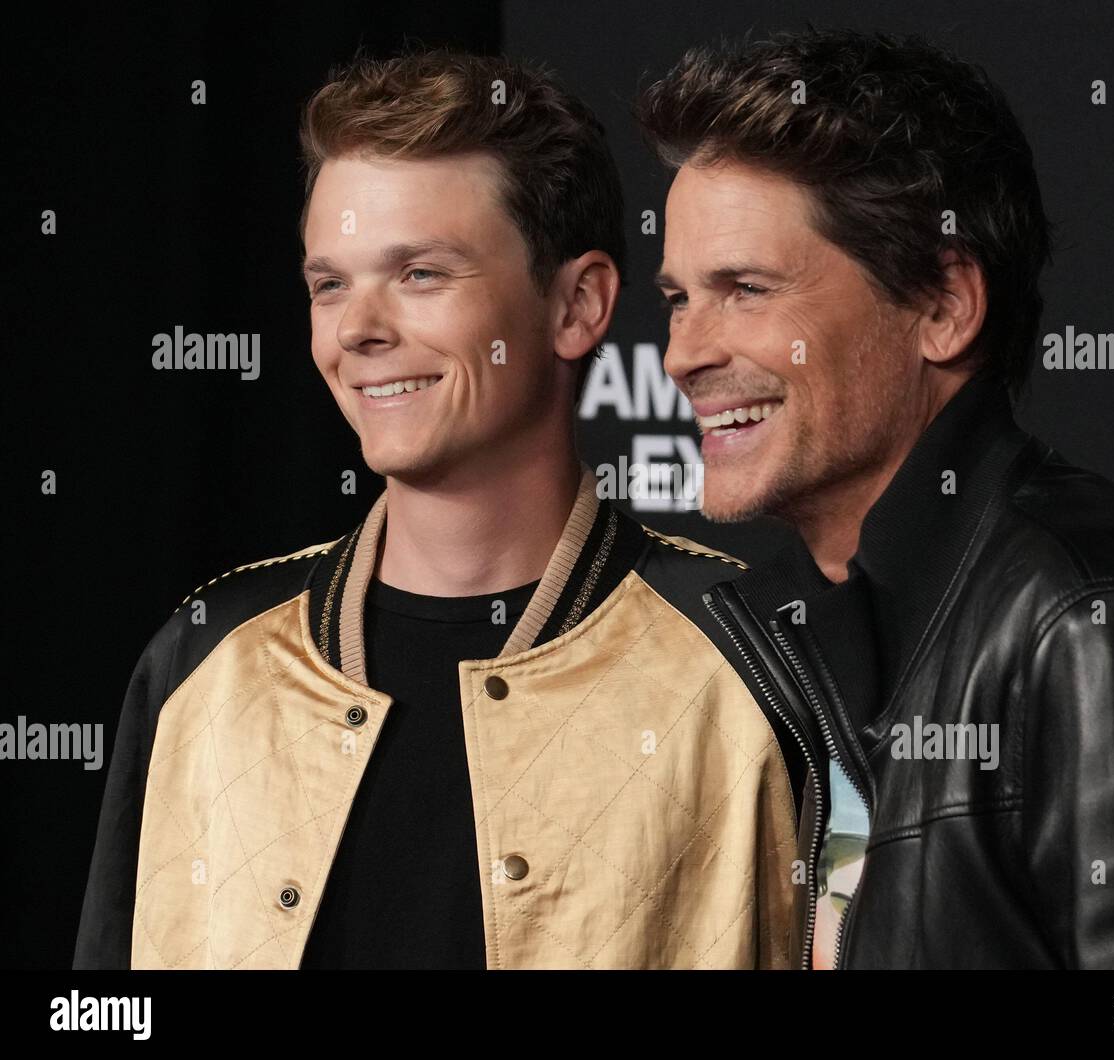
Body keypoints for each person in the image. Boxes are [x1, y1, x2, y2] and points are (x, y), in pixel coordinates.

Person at [73, 48, 799, 970]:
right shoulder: (205, 655)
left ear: (578, 306)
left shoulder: (755, 657)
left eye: (418, 273)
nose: (357, 329)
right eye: (329, 283)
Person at [635, 28, 1114, 968]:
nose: (685, 353)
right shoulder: (770, 620)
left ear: (943, 308)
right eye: (678, 298)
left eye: (745, 290)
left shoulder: (1093, 628)